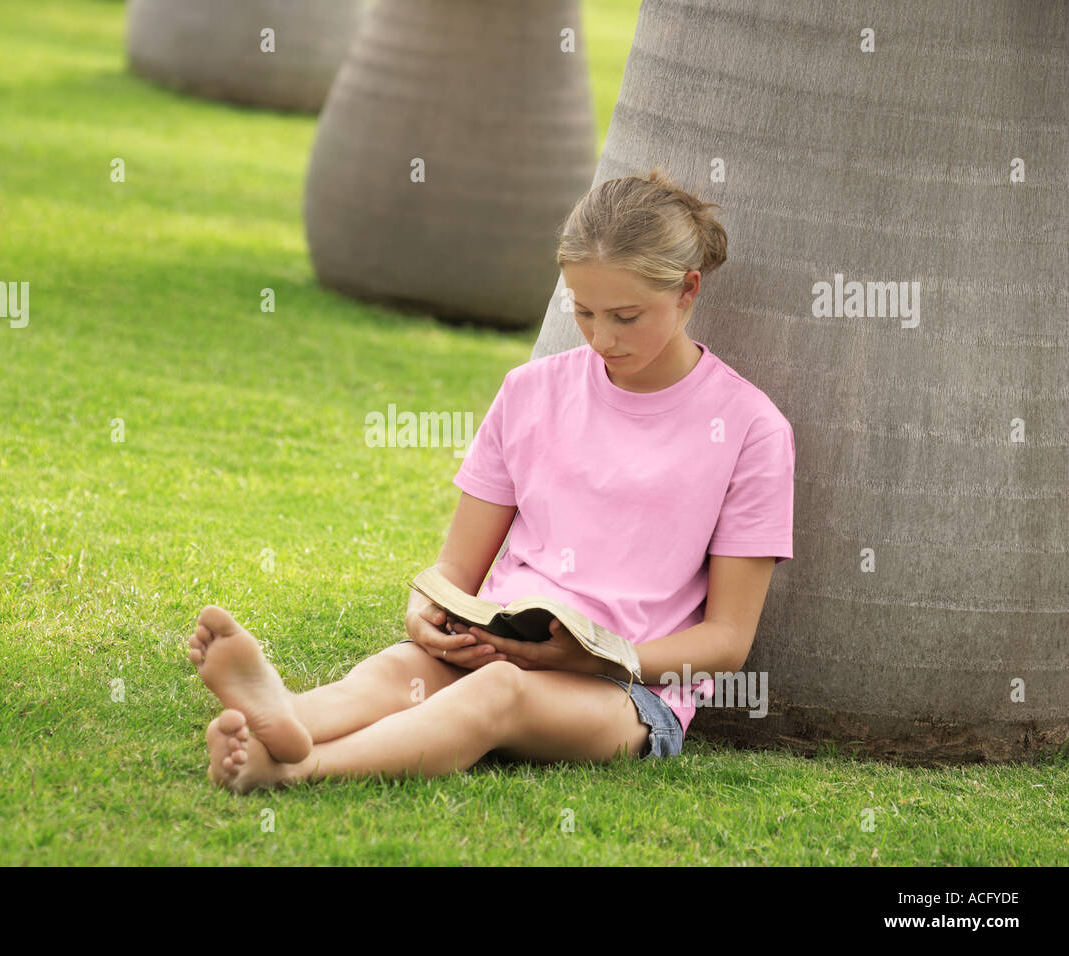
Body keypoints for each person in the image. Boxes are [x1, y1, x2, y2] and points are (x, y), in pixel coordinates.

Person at [189, 166, 795, 793]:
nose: (602, 338)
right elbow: (457, 569)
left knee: (498, 693)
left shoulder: (751, 429)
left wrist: (600, 656)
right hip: (499, 645)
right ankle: (284, 717)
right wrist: (424, 611)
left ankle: (300, 766)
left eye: (626, 316)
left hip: (629, 694)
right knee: (401, 670)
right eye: (584, 311)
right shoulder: (530, 391)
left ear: (687, 290)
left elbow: (726, 641)